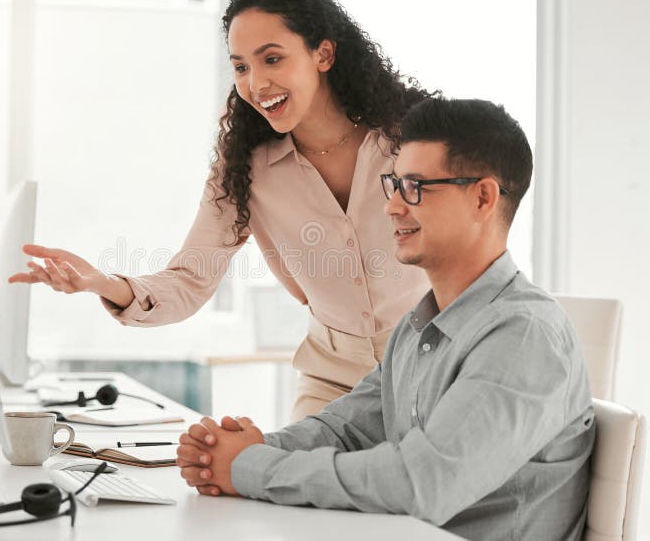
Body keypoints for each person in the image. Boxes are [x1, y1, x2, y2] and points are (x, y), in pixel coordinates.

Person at [9, 0, 435, 420]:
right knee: (287, 484)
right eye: (241, 67)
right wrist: (106, 284)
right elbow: (191, 278)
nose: (256, 83)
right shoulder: (245, 167)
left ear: (323, 54)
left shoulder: (414, 140)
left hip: (436, 366)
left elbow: (475, 246)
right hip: (333, 382)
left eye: (272, 59)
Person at [176, 98, 595, 541]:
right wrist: (236, 451)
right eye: (394, 184)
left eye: (415, 186)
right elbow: (346, 429)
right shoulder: (422, 326)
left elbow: (419, 484)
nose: (392, 206)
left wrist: (248, 467)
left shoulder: (523, 336)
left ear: (483, 198)